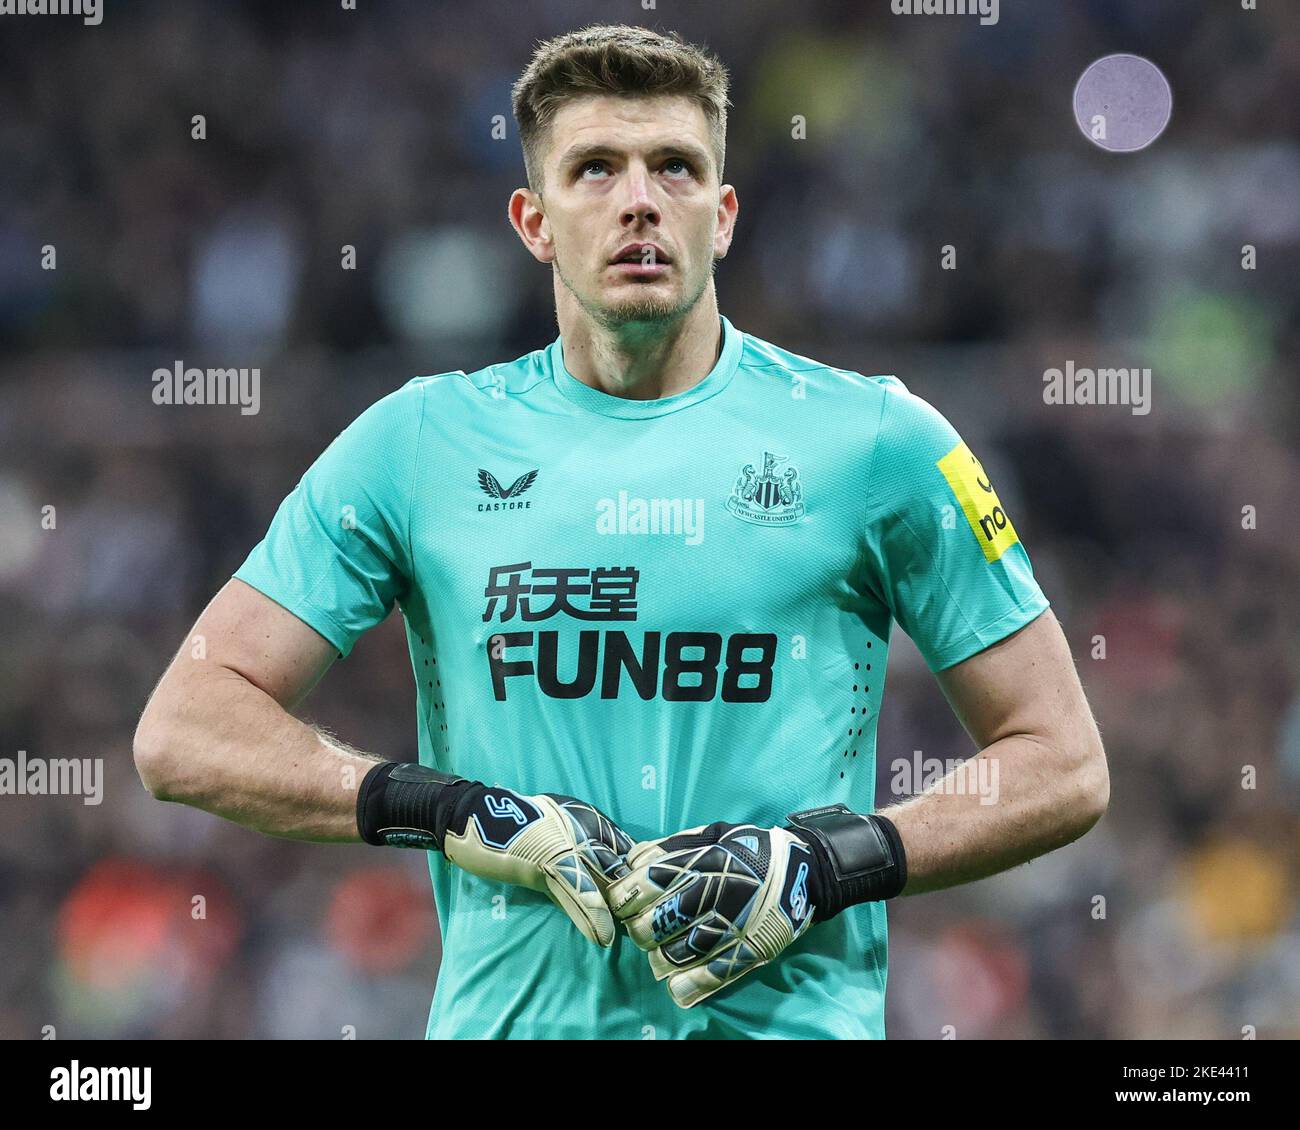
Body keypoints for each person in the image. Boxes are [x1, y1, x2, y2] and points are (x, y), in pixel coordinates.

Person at [134, 23, 1108, 1040]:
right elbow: (185, 728)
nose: (638, 199)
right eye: (593, 169)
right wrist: (449, 807)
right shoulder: (416, 442)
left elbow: (1062, 760)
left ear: (722, 216)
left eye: (675, 169)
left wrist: (825, 862)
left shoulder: (880, 440)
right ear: (533, 220)